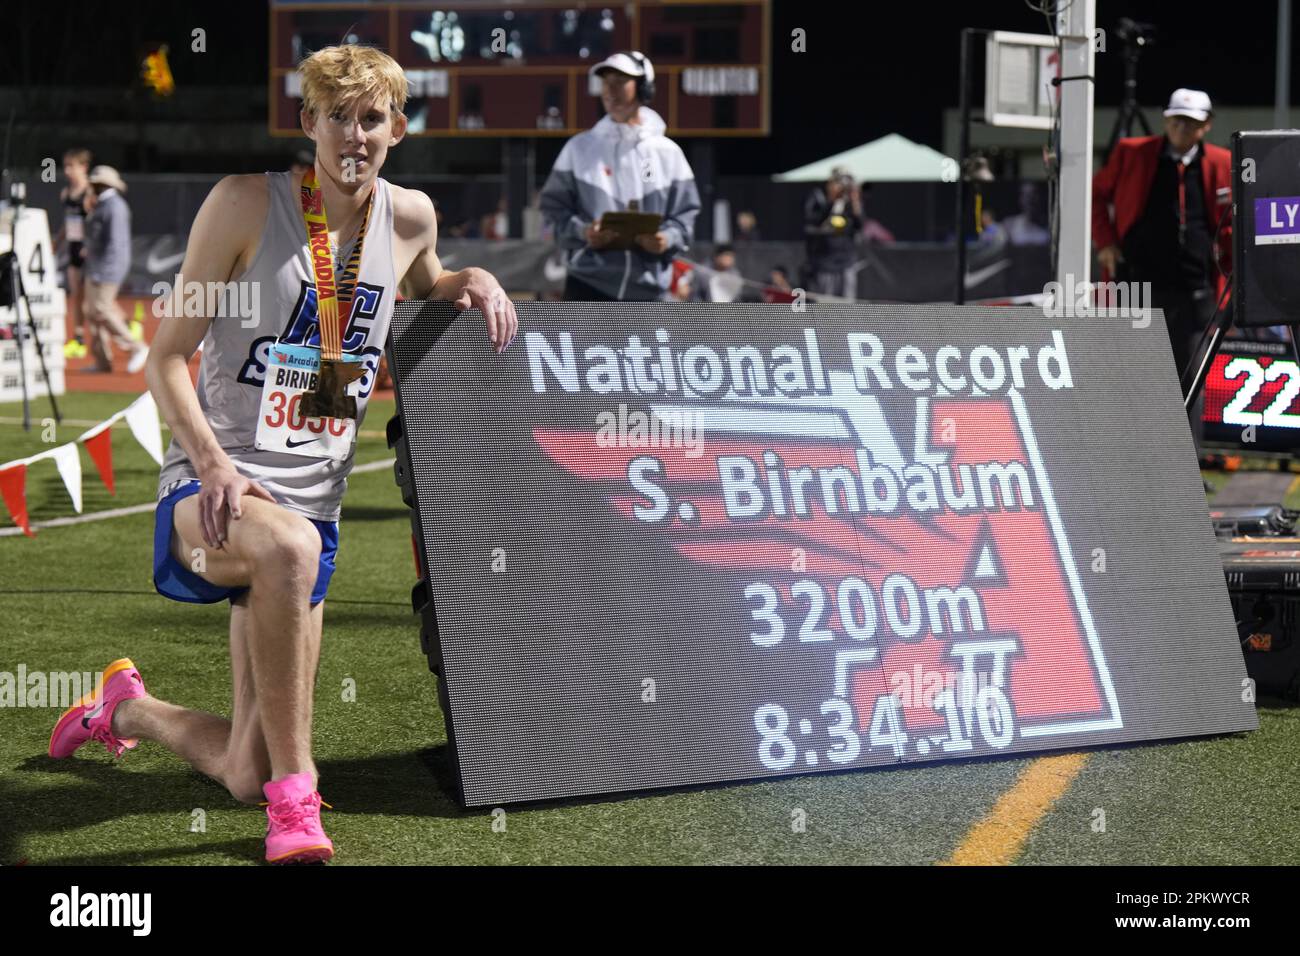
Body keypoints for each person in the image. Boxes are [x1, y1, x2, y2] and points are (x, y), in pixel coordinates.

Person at [46, 44, 517, 865]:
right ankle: (296, 805)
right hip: (214, 492)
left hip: (312, 515)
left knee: (239, 767)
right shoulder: (241, 206)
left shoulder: (410, 219)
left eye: (372, 118)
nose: (354, 135)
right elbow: (162, 358)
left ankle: (125, 710)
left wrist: (467, 277)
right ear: (308, 123)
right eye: (337, 116)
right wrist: (213, 463)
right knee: (289, 551)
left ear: (396, 129)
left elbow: (424, 282)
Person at [1093, 87, 1232, 450]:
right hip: (1138, 282)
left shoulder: (1220, 162)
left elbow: (1232, 222)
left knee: (1190, 377)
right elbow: (1096, 193)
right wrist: (1105, 242)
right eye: (1175, 121)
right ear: (1166, 121)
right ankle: (1134, 459)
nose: (1181, 129)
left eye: (1190, 122)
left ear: (1206, 126)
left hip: (1194, 287)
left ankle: (1186, 465)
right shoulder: (1134, 153)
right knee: (1134, 375)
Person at [539, 50, 700, 301]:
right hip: (587, 286)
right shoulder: (578, 148)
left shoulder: (669, 153)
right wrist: (583, 232)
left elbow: (685, 218)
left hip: (649, 291)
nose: (609, 90)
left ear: (643, 88)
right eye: (605, 82)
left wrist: (666, 239)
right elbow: (551, 214)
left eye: (619, 82)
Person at [82, 165, 148, 373]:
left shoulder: (114, 206)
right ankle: (102, 361)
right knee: (92, 312)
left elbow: (116, 244)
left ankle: (136, 346)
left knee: (102, 309)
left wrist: (104, 269)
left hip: (106, 268)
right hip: (97, 265)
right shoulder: (102, 205)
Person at [803, 166, 862, 298]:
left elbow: (860, 225)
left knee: (847, 302)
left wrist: (855, 201)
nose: (841, 186)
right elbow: (812, 220)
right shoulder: (818, 196)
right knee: (826, 303)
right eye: (837, 181)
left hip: (846, 261)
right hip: (825, 262)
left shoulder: (849, 202)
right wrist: (831, 200)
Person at [58, 148, 93, 360]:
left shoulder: (90, 192)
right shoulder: (66, 194)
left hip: (89, 251)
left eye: (72, 166)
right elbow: (68, 222)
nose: (68, 171)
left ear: (84, 167)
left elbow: (97, 224)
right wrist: (57, 241)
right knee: (75, 294)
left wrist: (90, 245)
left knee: (95, 300)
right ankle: (78, 338)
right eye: (65, 166)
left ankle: (125, 325)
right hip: (73, 249)